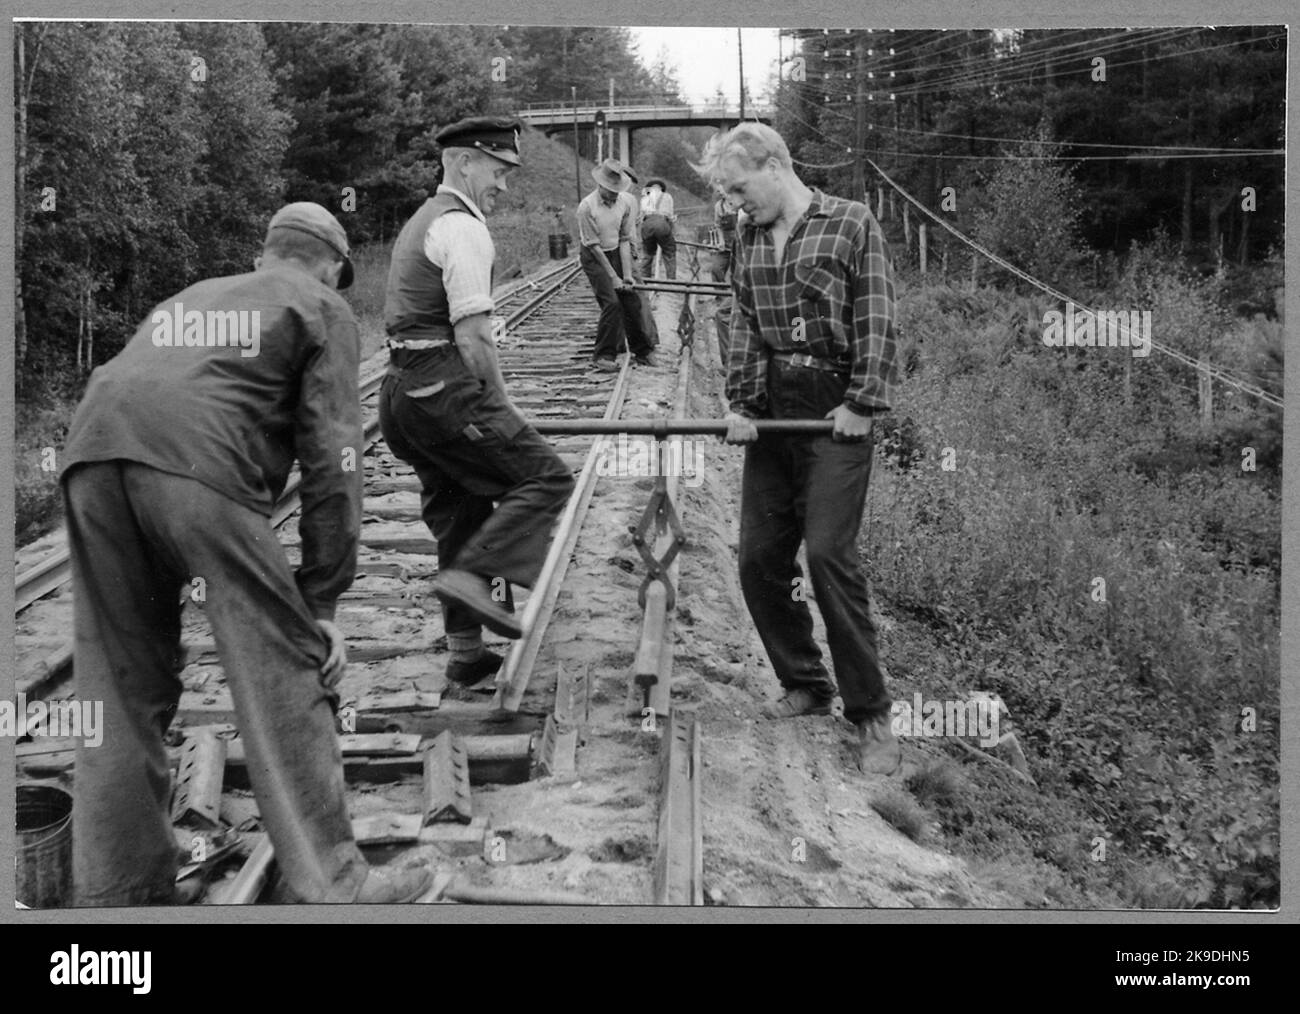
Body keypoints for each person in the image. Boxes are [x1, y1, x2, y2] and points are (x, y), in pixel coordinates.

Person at [60, 202, 433, 905]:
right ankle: (336, 883)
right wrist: (319, 600)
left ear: (267, 253)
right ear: (331, 265)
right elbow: (336, 461)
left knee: (115, 685)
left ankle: (118, 893)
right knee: (284, 662)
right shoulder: (322, 305)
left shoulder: (195, 295)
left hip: (89, 454)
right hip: (196, 465)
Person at [703, 122, 902, 775]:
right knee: (759, 559)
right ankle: (807, 684)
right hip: (776, 416)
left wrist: (863, 402)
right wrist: (742, 406)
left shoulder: (850, 223)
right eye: (728, 196)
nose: (735, 205)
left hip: (836, 412)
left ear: (772, 163)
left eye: (738, 188)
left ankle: (871, 715)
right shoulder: (748, 239)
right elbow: (747, 328)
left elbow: (876, 315)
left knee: (826, 556)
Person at [379, 116, 575, 685]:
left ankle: (465, 650)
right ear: (465, 161)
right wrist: (501, 405)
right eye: (498, 169)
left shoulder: (423, 220)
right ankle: (477, 577)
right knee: (545, 478)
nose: (504, 185)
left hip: (402, 394)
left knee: (461, 508)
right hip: (443, 387)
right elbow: (475, 334)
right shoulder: (463, 227)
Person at [576, 158, 657, 372]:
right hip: (594, 256)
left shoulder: (623, 203)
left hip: (614, 250)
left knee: (631, 299)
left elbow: (623, 239)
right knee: (612, 303)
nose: (614, 194)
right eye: (610, 190)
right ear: (600, 185)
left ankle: (642, 350)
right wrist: (613, 277)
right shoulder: (586, 208)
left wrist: (627, 274)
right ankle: (603, 354)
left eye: (617, 190)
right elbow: (594, 248)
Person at [639, 178, 677, 280]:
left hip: (647, 224)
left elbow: (641, 218)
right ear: (661, 188)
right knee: (669, 252)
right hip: (662, 223)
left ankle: (644, 280)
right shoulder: (667, 196)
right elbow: (670, 217)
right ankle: (671, 281)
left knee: (647, 254)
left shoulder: (644, 198)